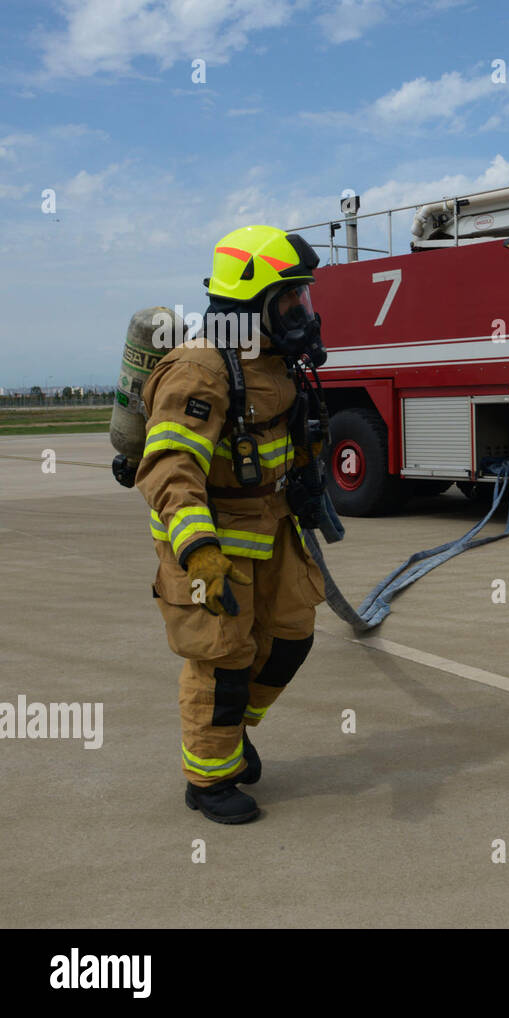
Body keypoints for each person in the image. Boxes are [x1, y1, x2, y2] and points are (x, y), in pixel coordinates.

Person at [135, 225, 328, 823]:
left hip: (272, 525)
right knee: (223, 662)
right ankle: (208, 780)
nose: (302, 310)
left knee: (292, 638)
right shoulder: (200, 369)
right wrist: (199, 552)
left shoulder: (274, 362)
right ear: (251, 304)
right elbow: (170, 466)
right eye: (290, 298)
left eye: (303, 297)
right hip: (210, 542)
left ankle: (233, 734)